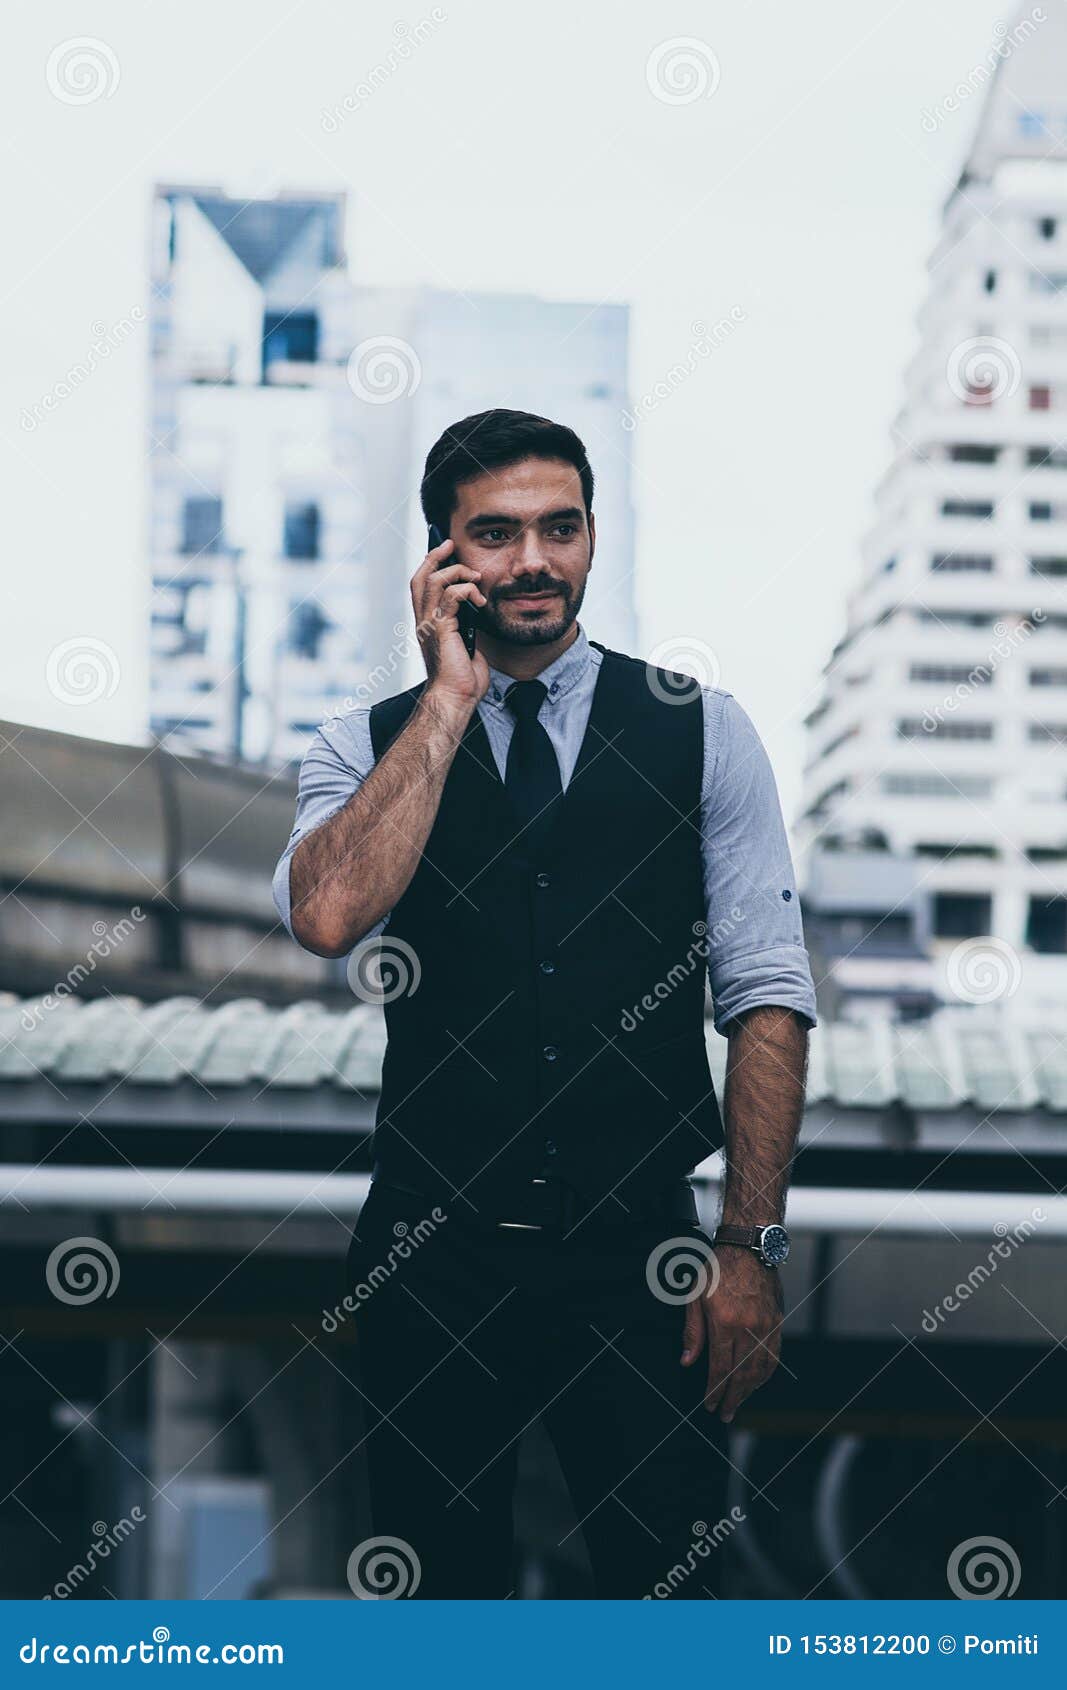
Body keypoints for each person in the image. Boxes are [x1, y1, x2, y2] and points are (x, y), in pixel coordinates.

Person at [273, 409, 816, 1599]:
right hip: (432, 1254)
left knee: (665, 1603)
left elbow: (766, 995)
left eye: (559, 528)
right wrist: (446, 701)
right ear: (441, 558)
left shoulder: (703, 731)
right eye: (496, 533)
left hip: (640, 1256)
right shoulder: (362, 746)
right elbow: (328, 913)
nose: (533, 560)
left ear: (590, 535)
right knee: (434, 1608)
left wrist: (748, 1247)